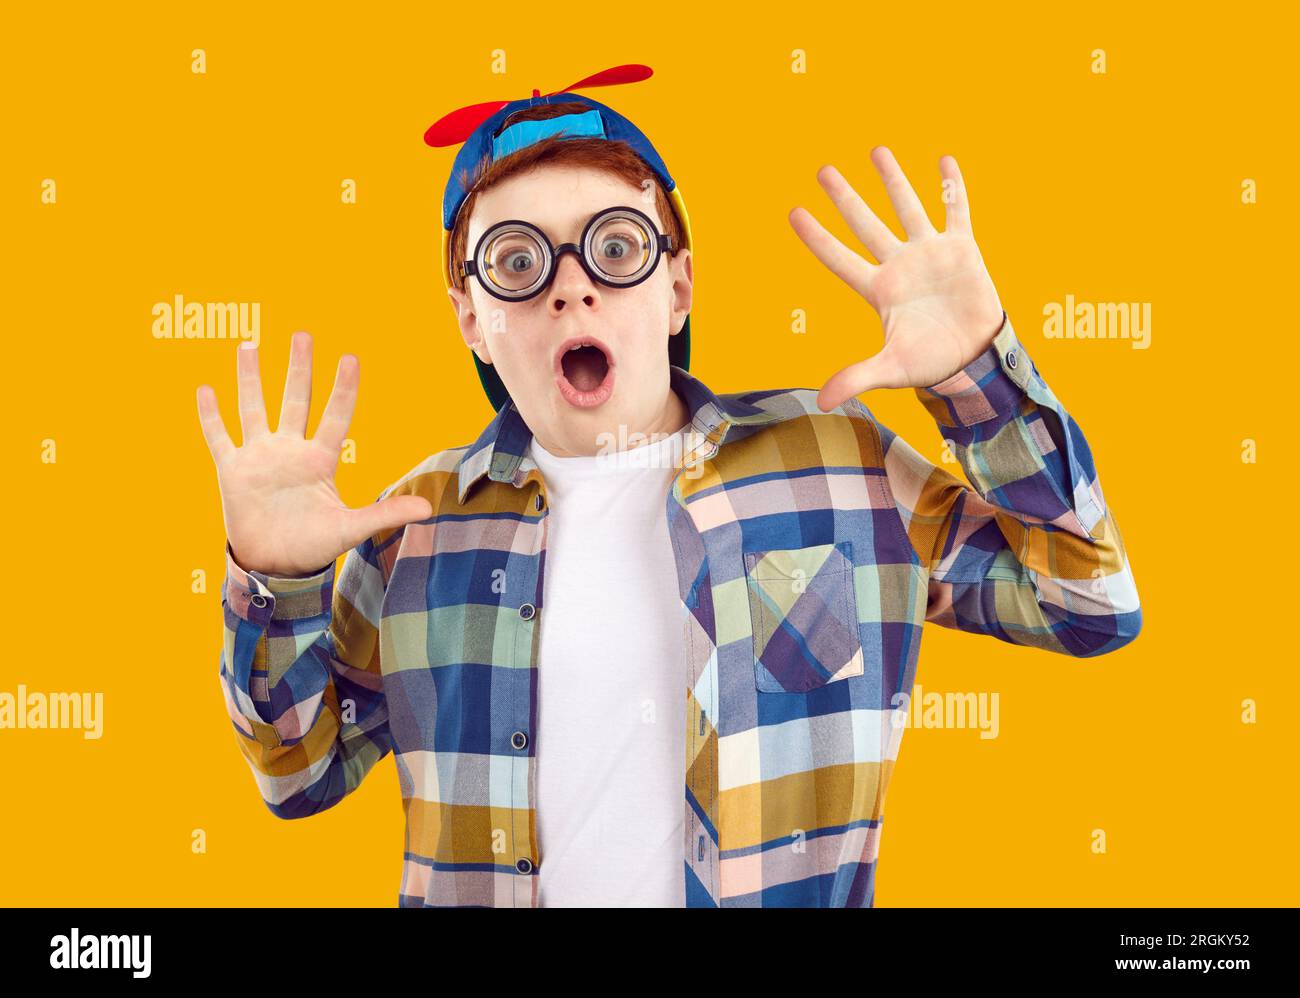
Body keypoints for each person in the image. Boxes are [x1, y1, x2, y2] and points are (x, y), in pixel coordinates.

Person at [196, 66, 1141, 908]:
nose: (571, 289)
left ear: (679, 284)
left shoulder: (838, 464)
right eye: (518, 263)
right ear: (471, 319)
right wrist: (275, 586)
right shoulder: (411, 527)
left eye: (613, 248)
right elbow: (298, 776)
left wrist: (978, 378)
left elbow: (1086, 602)